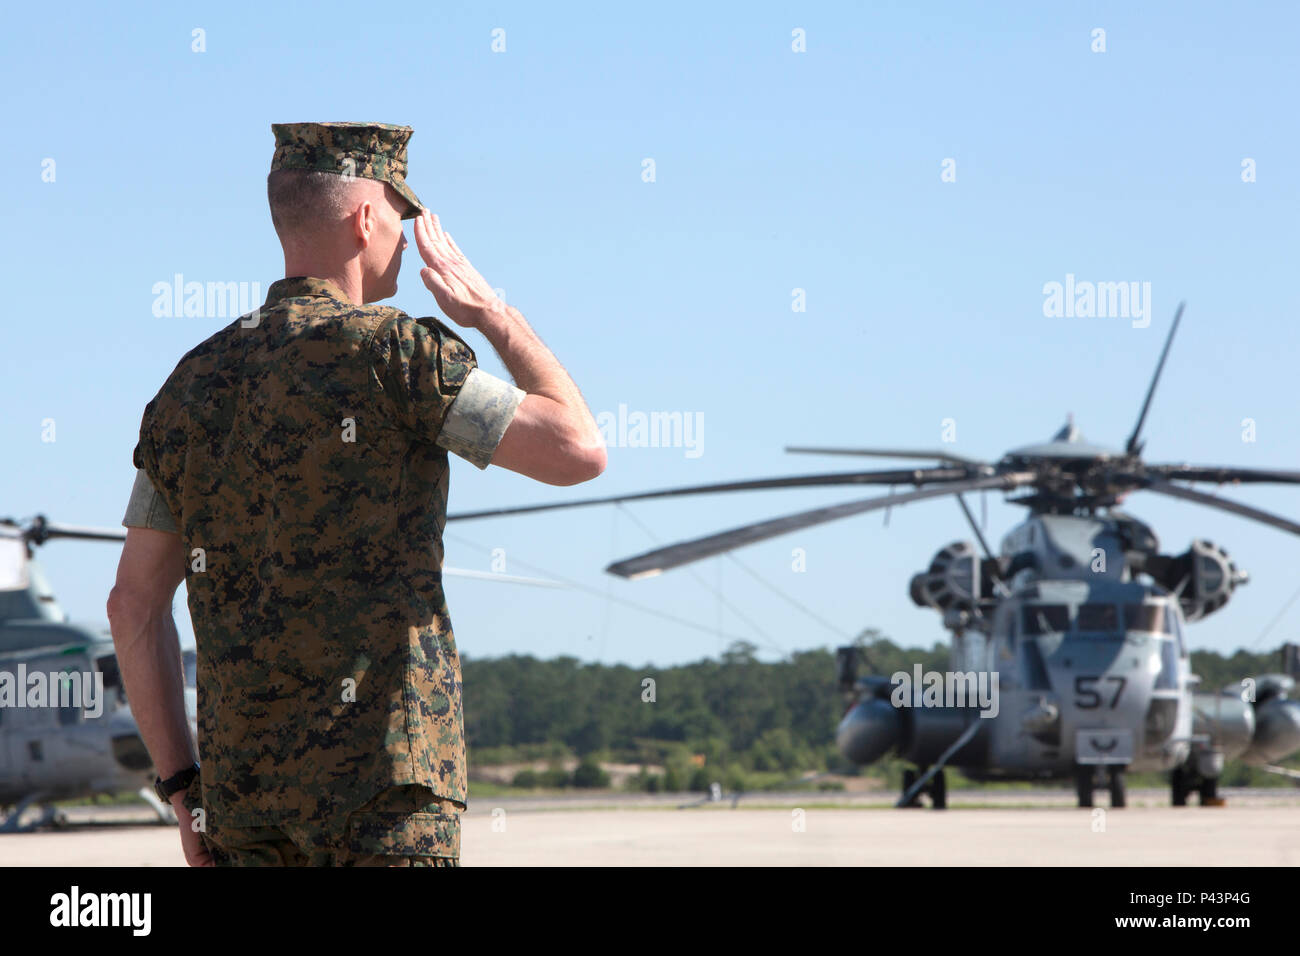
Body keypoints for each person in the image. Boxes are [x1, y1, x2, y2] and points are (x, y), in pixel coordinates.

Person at [106, 121, 605, 866]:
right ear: (365, 218)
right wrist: (495, 315)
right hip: (385, 800)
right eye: (402, 218)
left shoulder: (189, 388)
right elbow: (577, 451)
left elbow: (133, 606)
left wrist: (185, 790)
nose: (407, 239)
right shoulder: (398, 355)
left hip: (246, 812)